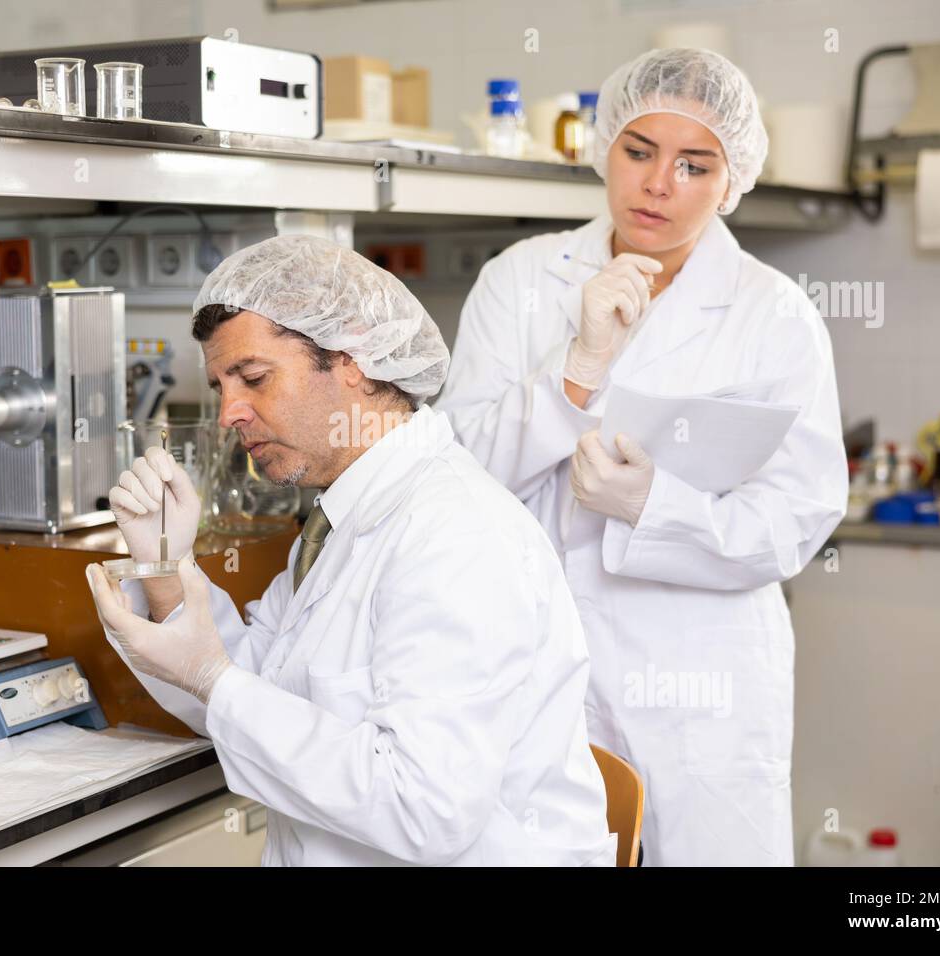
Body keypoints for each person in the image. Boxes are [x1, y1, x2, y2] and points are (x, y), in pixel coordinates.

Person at [437, 48, 848, 866]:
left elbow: (798, 520)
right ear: (604, 151)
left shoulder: (774, 316)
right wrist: (572, 376)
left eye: (695, 164)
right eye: (639, 151)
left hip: (705, 682)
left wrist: (657, 511)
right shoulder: (520, 281)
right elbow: (456, 478)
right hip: (540, 670)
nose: (659, 183)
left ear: (731, 182)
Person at [86, 234, 617, 866]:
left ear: (353, 361)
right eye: (220, 386)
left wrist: (214, 680)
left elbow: (425, 811)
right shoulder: (343, 519)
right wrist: (167, 569)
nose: (230, 413)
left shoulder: (456, 538)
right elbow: (259, 686)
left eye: (253, 378)